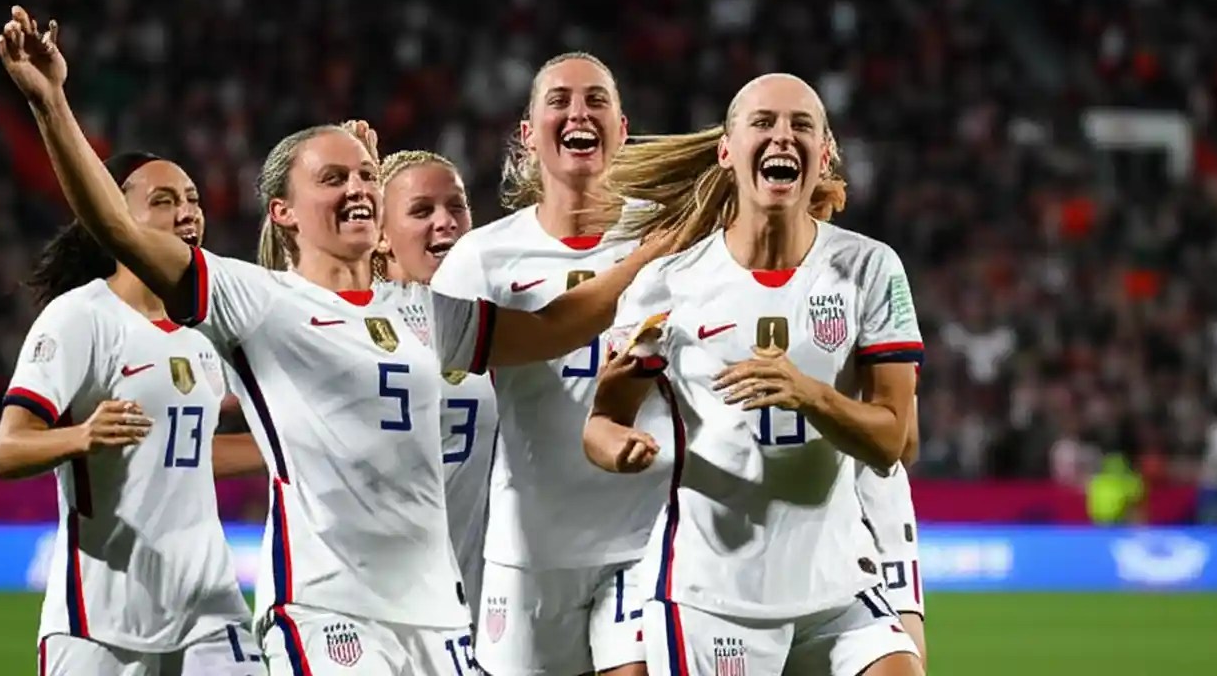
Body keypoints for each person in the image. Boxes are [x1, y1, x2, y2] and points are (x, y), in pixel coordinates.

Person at [0, 6, 672, 676]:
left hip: (437, 620)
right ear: (284, 214)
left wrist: (650, 253)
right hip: (328, 619)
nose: (356, 188)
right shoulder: (256, 301)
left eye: (364, 177)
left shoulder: (425, 311)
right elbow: (117, 228)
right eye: (332, 179)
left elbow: (557, 326)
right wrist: (51, 102)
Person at [584, 73, 925, 676]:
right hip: (713, 593)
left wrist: (811, 395)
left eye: (802, 125)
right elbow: (604, 421)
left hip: (837, 585)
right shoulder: (670, 286)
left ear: (825, 153)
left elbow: (892, 441)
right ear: (726, 150)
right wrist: (622, 449)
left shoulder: (870, 269)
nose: (782, 136)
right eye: (763, 122)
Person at [430, 52, 667, 676]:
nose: (578, 112)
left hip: (643, 539)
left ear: (622, 129)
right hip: (529, 550)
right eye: (559, 100)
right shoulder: (482, 257)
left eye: (596, 100)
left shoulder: (674, 241)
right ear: (528, 134)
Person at [0, 151, 262, 675]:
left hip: (209, 609)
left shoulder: (211, 323)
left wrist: (284, 449)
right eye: (163, 201)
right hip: (99, 621)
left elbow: (183, 451)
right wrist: (81, 437)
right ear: (112, 217)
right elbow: (7, 450)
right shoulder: (81, 317)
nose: (187, 213)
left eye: (192, 200)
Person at [377, 149, 498, 628]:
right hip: (376, 597)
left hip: (477, 595)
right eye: (422, 211)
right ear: (382, 237)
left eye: (457, 207)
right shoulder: (355, 321)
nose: (446, 222)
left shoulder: (493, 323)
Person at [810, 201, 928, 667]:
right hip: (815, 518)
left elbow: (905, 441)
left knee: (902, 658)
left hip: (872, 508)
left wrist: (817, 405)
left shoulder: (864, 276)